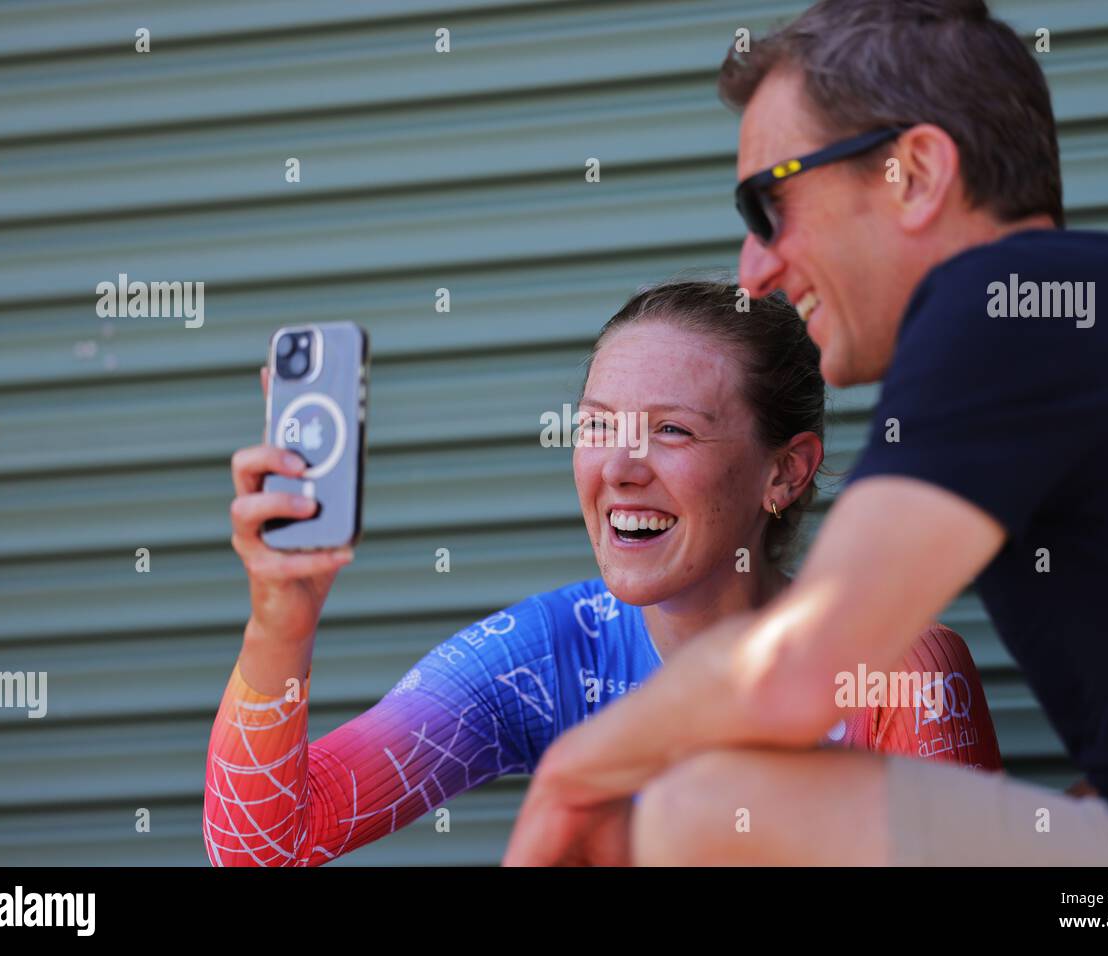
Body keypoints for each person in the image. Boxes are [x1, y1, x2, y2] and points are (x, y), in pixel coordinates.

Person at [501, 0, 1108, 867]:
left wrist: (569, 771)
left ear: (917, 173)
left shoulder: (1000, 302)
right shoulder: (1092, 300)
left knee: (706, 805)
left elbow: (792, 671)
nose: (756, 266)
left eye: (771, 201)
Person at [203, 278, 1001, 866]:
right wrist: (282, 619)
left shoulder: (898, 671)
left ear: (786, 474)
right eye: (597, 427)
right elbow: (262, 845)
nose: (619, 467)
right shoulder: (546, 653)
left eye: (672, 432)